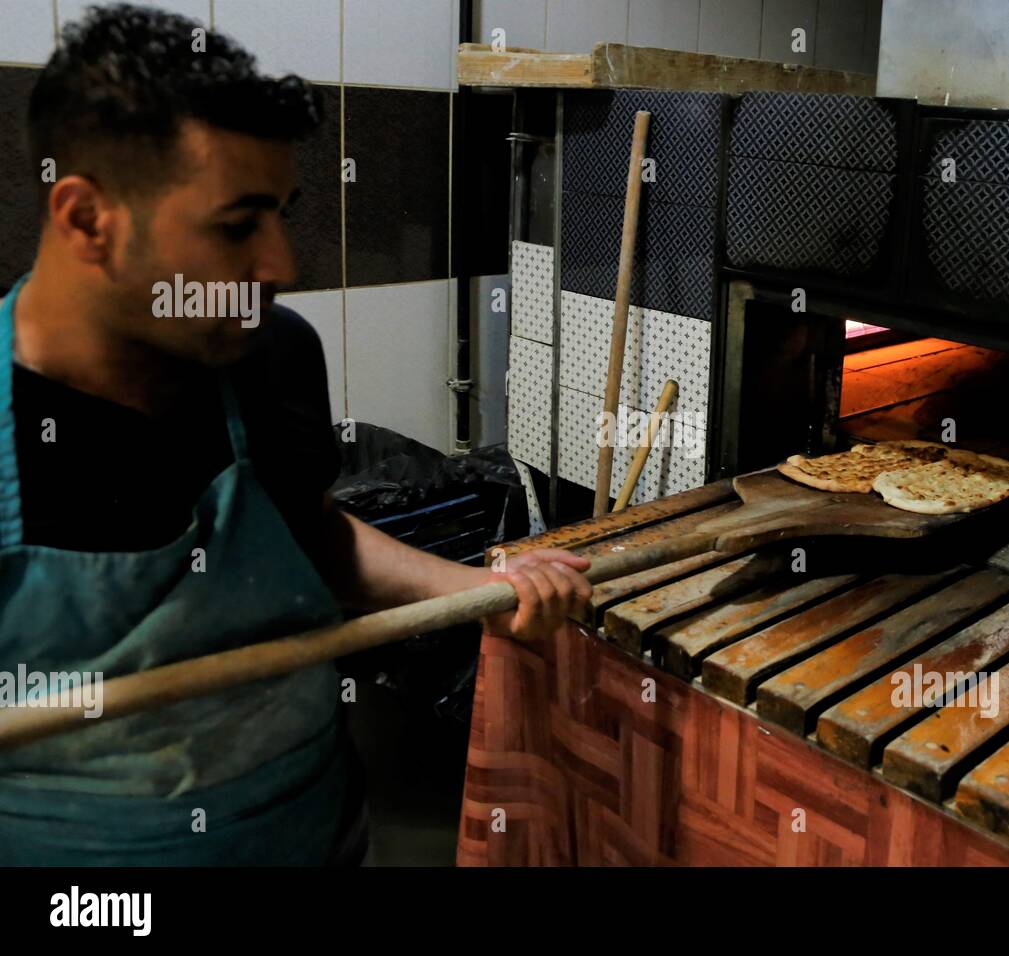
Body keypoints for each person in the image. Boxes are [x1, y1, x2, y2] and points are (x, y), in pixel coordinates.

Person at [0, 2, 590, 865]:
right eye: (238, 226)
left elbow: (307, 538)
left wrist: (480, 587)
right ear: (87, 219)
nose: (282, 265)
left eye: (282, 214)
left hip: (316, 831)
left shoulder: (271, 354)